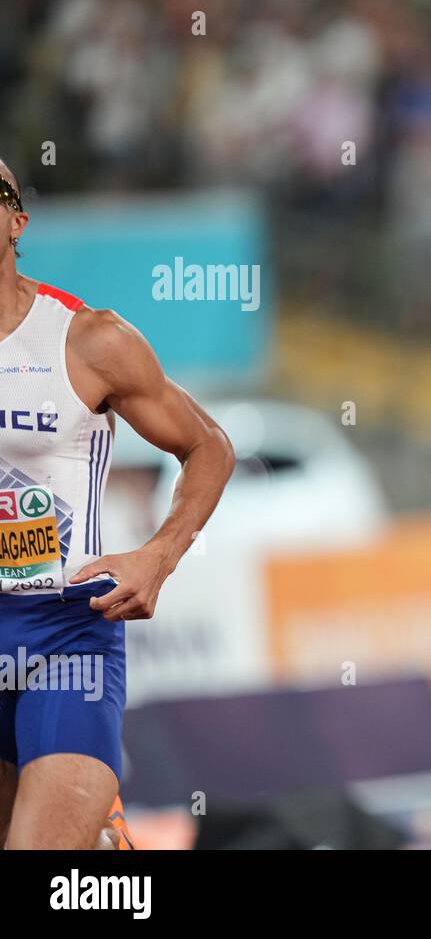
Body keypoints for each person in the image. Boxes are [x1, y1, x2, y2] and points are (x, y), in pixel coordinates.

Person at [0, 159, 236, 848]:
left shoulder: (87, 340)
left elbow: (209, 446)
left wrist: (158, 556)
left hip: (64, 633)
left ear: (19, 219)